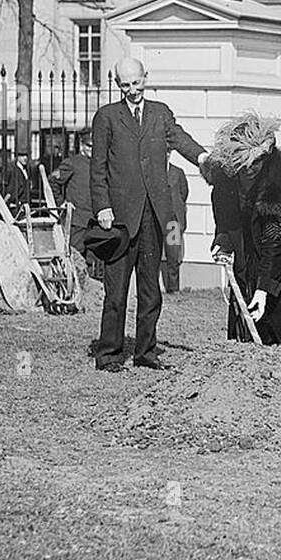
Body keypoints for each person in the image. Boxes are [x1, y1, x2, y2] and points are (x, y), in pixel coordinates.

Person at [89, 57, 210, 372]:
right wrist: (102, 206)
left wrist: (203, 158)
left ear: (146, 77)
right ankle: (109, 354)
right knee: (115, 292)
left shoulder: (160, 113)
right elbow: (97, 167)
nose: (132, 90)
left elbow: (180, 139)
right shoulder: (106, 118)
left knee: (150, 290)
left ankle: (146, 353)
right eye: (125, 85)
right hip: (118, 219)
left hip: (154, 217)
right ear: (118, 85)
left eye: (136, 82)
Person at [206, 112, 281, 353]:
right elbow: (227, 220)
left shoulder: (278, 182)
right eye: (243, 164)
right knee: (244, 288)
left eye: (255, 163)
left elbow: (274, 243)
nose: (249, 169)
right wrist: (223, 241)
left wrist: (263, 288)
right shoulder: (225, 179)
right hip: (252, 237)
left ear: (264, 157)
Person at [49, 128, 97, 276]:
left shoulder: (99, 164)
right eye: (89, 146)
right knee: (75, 255)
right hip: (77, 221)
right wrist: (61, 203)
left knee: (92, 257)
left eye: (94, 146)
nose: (91, 149)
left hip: (93, 219)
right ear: (82, 145)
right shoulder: (72, 163)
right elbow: (53, 180)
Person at [161, 161, 189, 294]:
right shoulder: (153, 170)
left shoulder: (178, 172)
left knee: (173, 255)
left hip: (172, 222)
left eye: (168, 152)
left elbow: (183, 193)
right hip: (156, 219)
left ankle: (173, 287)